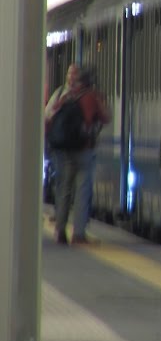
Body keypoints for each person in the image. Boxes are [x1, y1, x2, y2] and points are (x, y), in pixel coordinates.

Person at [44, 63, 109, 245]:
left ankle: (60, 231)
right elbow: (106, 117)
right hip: (84, 150)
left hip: (63, 152)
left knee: (63, 190)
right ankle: (79, 233)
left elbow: (48, 116)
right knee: (82, 190)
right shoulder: (92, 96)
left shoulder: (63, 96)